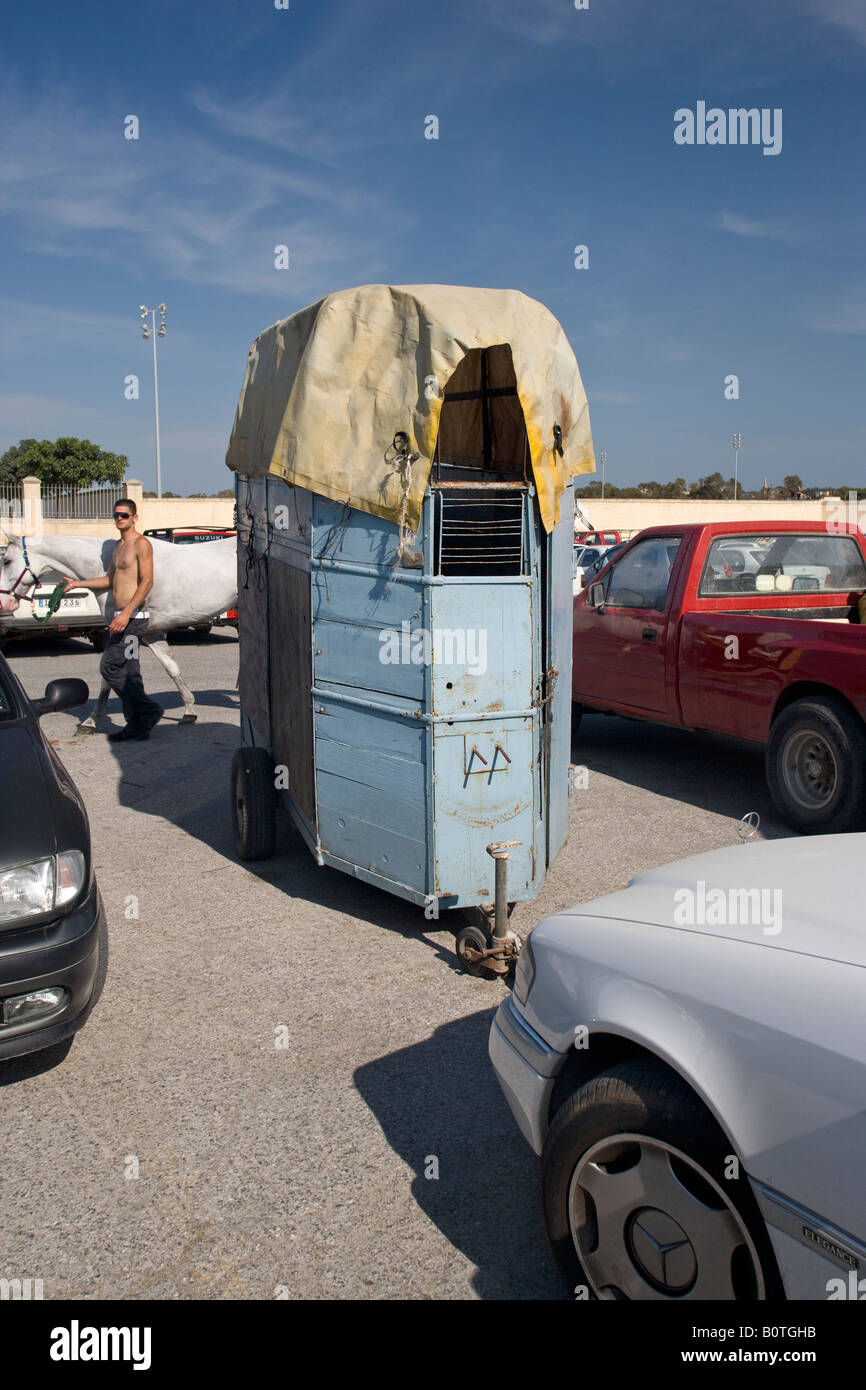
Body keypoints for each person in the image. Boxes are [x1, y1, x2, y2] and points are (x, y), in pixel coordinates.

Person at [63, 499, 162, 741]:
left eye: (125, 515)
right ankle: (138, 725)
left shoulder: (142, 544)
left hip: (134, 619)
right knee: (130, 670)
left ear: (134, 518)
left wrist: (127, 613)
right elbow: (109, 581)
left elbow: (147, 581)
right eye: (116, 515)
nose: (120, 519)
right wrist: (77, 584)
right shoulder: (118, 547)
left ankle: (148, 710)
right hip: (123, 617)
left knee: (108, 665)